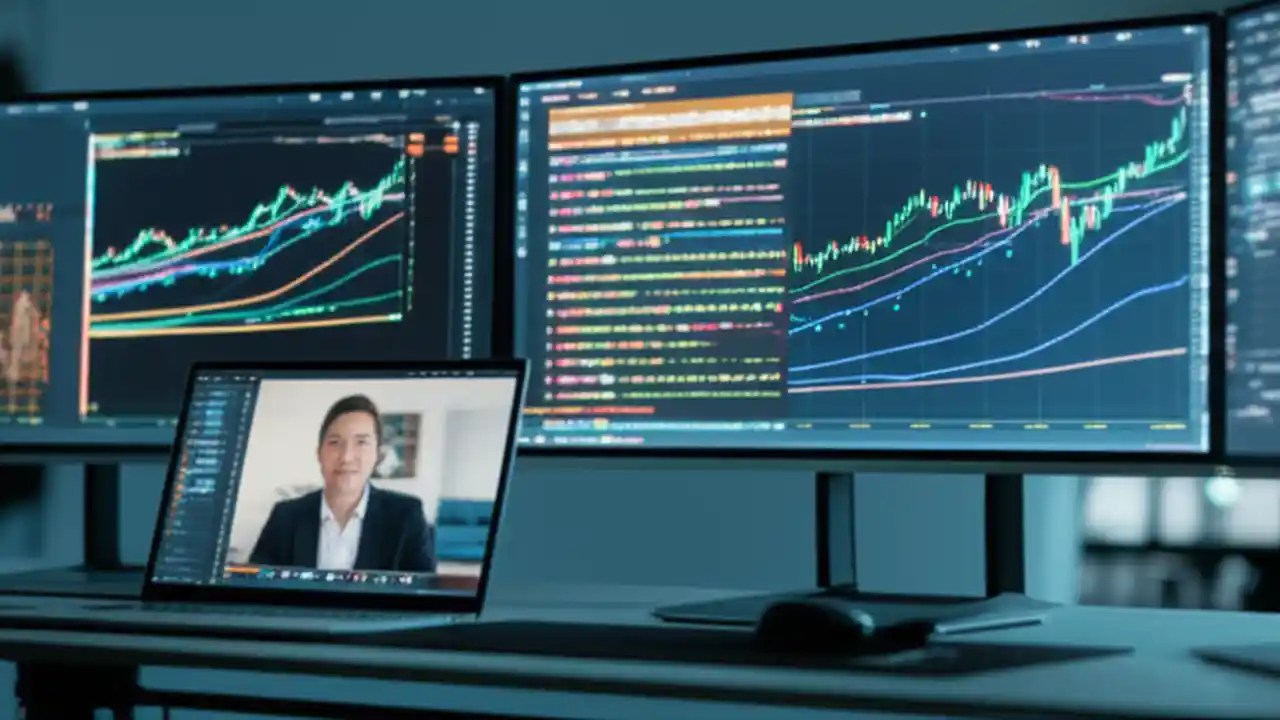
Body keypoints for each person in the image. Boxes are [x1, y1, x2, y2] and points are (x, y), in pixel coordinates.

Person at [249, 395, 436, 572]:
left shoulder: (406, 515)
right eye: (334, 442)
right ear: (319, 453)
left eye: (361, 442)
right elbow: (255, 589)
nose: (346, 457)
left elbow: (423, 597)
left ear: (377, 454)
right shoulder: (285, 516)